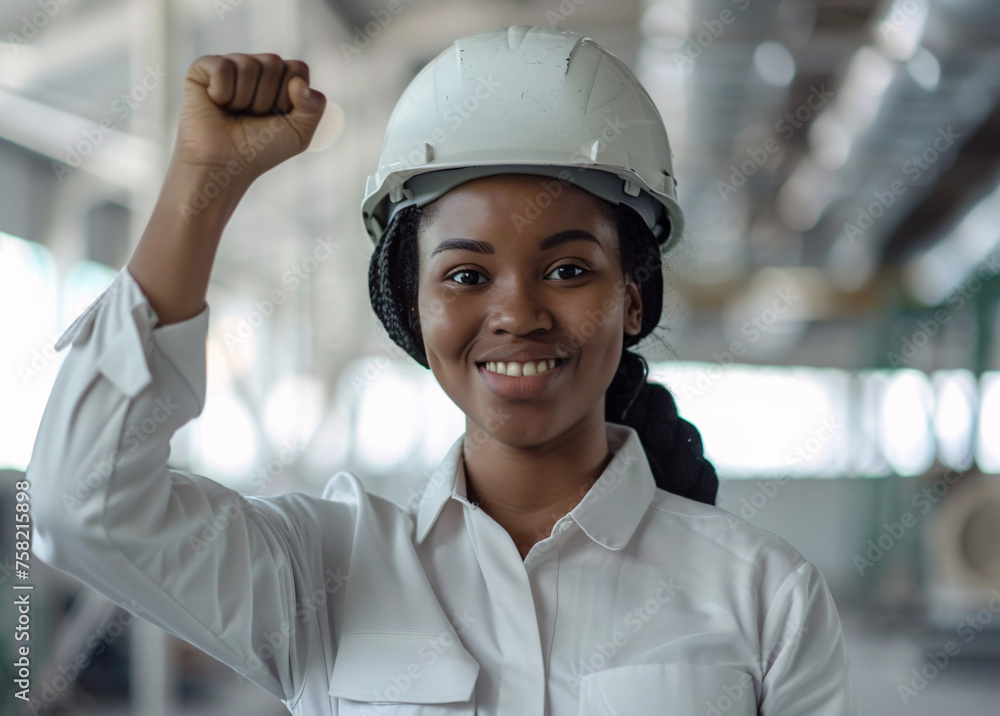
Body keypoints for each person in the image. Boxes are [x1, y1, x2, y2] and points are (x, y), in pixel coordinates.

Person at [28, 25, 862, 715]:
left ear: (635, 300)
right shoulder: (319, 573)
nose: (517, 312)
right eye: (466, 276)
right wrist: (200, 191)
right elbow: (84, 505)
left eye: (569, 269)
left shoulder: (764, 596)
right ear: (412, 309)